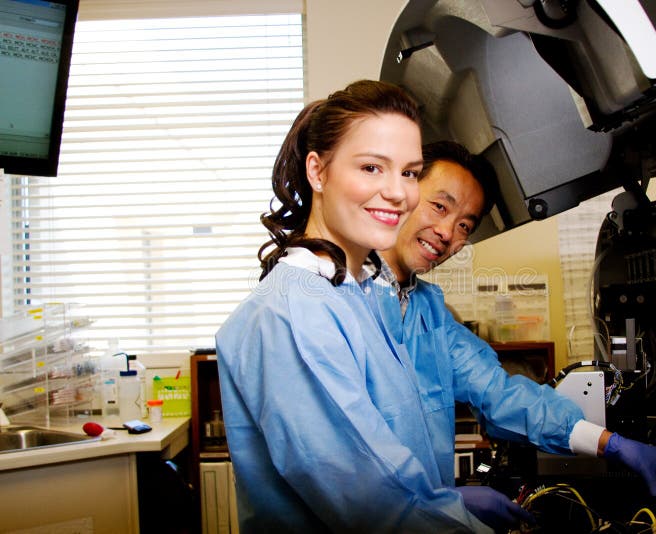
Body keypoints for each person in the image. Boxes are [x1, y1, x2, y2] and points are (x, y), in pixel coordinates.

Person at [216, 80, 518, 533]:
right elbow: (374, 507)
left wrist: (443, 499)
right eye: (373, 167)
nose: (398, 193)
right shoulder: (293, 314)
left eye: (410, 173)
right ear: (318, 172)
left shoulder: (358, 295)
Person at [374, 140, 656, 531]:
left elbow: (499, 393)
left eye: (464, 225)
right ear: (402, 194)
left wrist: (609, 444)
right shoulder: (336, 301)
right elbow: (324, 454)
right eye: (440, 206)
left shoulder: (428, 309)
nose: (447, 233)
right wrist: (431, 500)